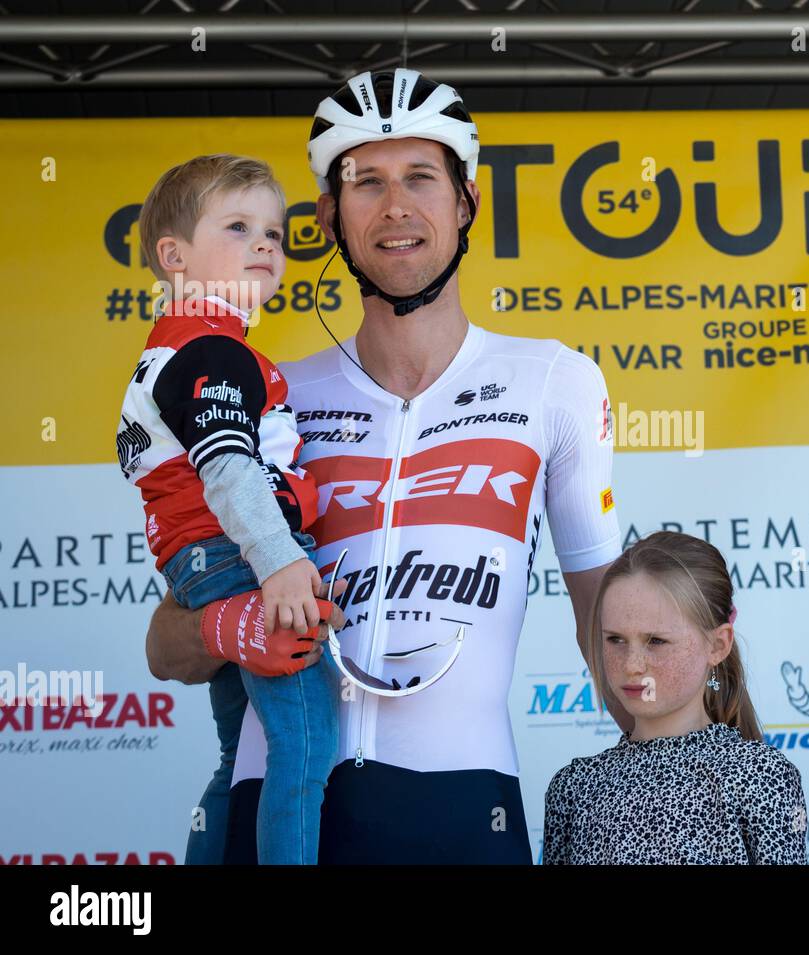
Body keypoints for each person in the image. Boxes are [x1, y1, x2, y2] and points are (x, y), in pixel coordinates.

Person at [144, 68, 627, 864]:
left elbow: (603, 620)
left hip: (464, 808)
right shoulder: (270, 394)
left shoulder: (555, 381)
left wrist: (668, 762)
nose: (396, 206)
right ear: (330, 216)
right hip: (277, 811)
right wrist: (237, 626)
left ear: (466, 202)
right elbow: (167, 647)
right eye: (366, 181)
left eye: (420, 178)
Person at [119, 154, 340, 865]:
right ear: (174, 256)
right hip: (240, 561)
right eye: (239, 226)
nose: (266, 244)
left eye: (274, 232)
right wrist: (278, 563)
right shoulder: (210, 344)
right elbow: (227, 467)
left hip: (201, 565)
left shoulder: (179, 345)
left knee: (238, 749)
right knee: (304, 746)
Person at [542, 531, 808, 864]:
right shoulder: (574, 789)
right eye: (615, 639)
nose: (632, 665)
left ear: (717, 645)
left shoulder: (760, 775)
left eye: (655, 641)